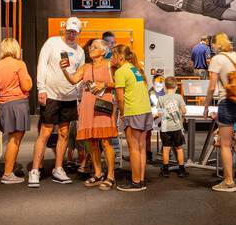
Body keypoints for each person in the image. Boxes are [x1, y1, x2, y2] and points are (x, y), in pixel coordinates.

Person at [28, 17, 86, 187]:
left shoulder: (80, 52)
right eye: (69, 30)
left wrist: (79, 98)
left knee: (64, 134)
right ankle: (35, 170)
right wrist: (41, 88)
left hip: (69, 98)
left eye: (74, 31)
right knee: (45, 133)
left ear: (79, 33)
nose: (71, 34)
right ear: (64, 30)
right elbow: (42, 65)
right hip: (51, 96)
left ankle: (58, 168)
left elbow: (80, 77)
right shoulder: (52, 43)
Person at [64, 38, 117, 190]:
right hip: (87, 105)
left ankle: (110, 176)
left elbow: (119, 83)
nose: (91, 49)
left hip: (102, 106)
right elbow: (73, 80)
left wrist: (105, 84)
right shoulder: (85, 66)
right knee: (92, 142)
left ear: (103, 51)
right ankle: (98, 173)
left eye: (95, 47)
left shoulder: (110, 65)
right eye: (91, 47)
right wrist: (64, 70)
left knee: (106, 142)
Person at [206, 32, 236, 193]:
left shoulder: (216, 59)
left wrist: (207, 106)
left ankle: (228, 182)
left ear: (216, 45)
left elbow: (212, 87)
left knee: (225, 144)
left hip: (227, 103)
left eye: (212, 44)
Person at [0, 38, 33, 183]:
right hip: (18, 104)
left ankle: (9, 171)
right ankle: (7, 174)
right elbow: (27, 87)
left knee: (11, 139)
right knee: (15, 140)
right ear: (15, 48)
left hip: (4, 105)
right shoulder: (19, 64)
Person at [111, 44, 151, 191]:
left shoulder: (121, 71)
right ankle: (140, 180)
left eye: (113, 55)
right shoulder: (136, 68)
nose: (111, 58)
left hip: (133, 112)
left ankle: (135, 182)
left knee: (133, 147)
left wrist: (122, 114)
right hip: (145, 111)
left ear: (120, 57)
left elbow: (120, 99)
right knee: (141, 147)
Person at [157, 77, 188, 177]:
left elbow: (159, 114)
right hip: (177, 127)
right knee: (179, 148)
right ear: (176, 87)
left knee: (166, 149)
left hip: (165, 128)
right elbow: (184, 111)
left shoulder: (161, 99)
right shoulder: (179, 97)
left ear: (165, 87)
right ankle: (182, 170)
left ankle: (165, 170)